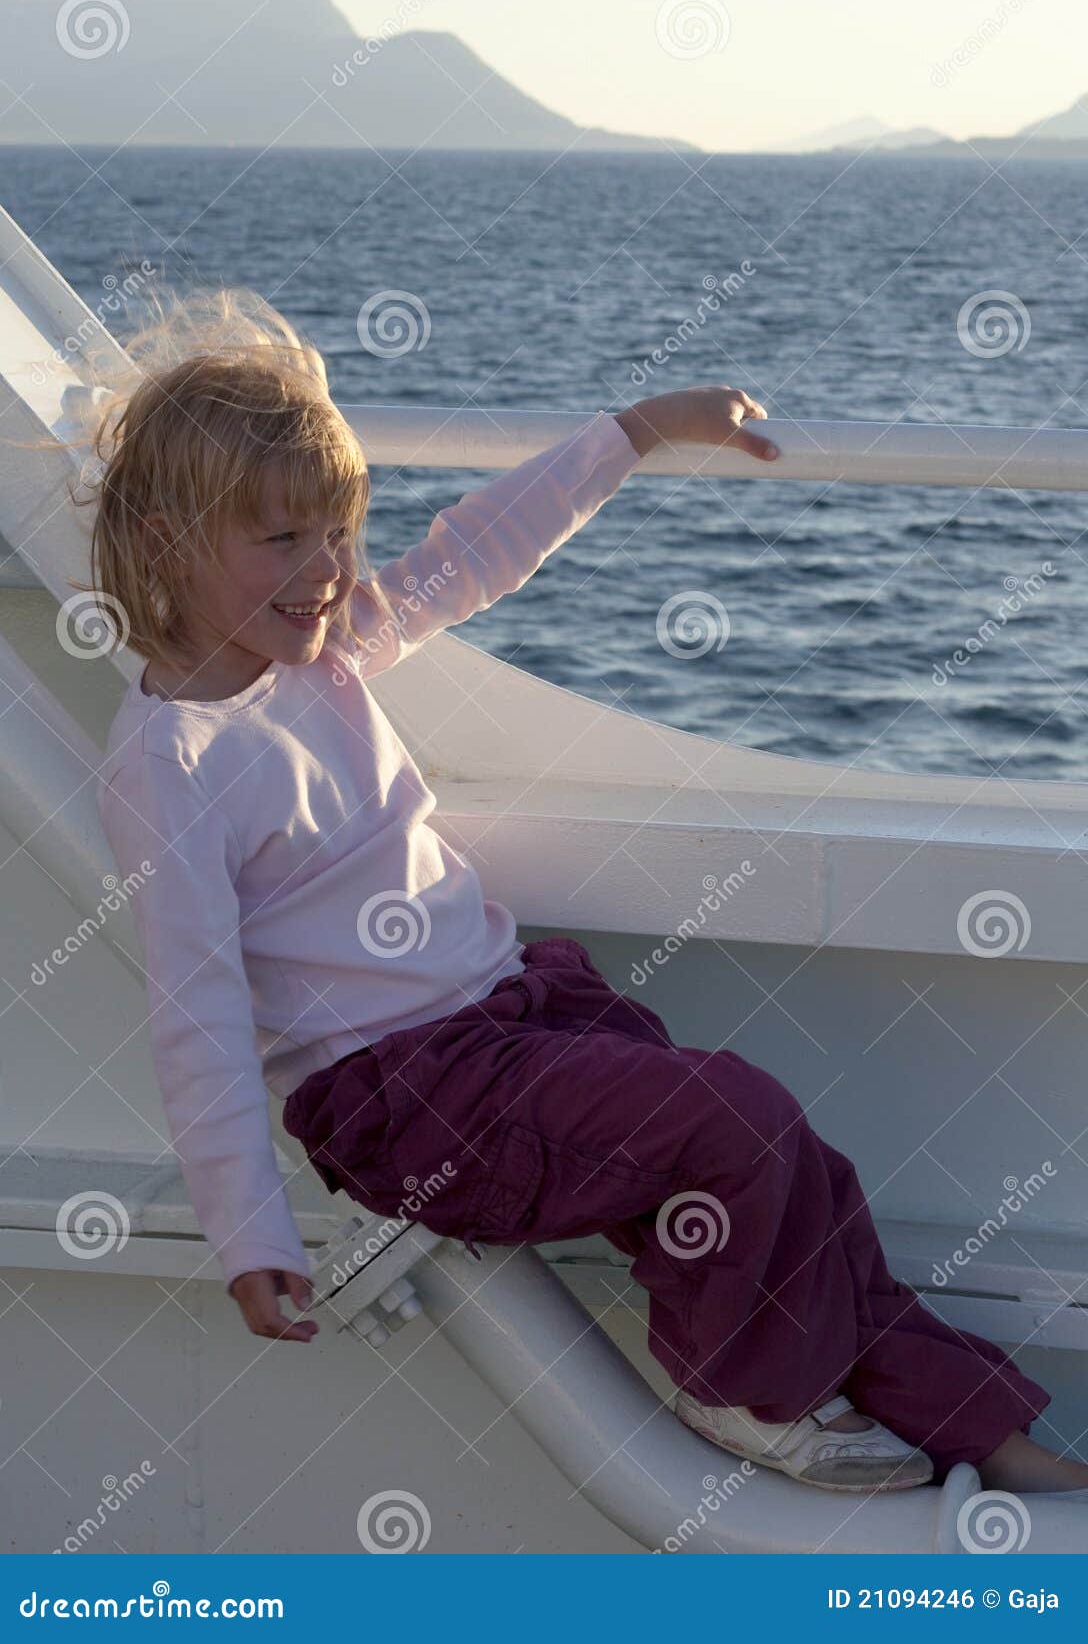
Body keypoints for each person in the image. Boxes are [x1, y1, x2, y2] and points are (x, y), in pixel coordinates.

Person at [88, 287, 1088, 1501]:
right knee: (737, 1121)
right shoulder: (171, 767)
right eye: (282, 541)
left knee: (799, 1172)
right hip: (408, 1101)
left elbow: (471, 553)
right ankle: (740, 1386)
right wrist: (249, 1235)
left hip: (509, 1019)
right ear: (162, 546)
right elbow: (192, 1018)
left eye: (336, 532)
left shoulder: (324, 650)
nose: (327, 571)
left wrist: (635, 431)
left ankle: (975, 1430)